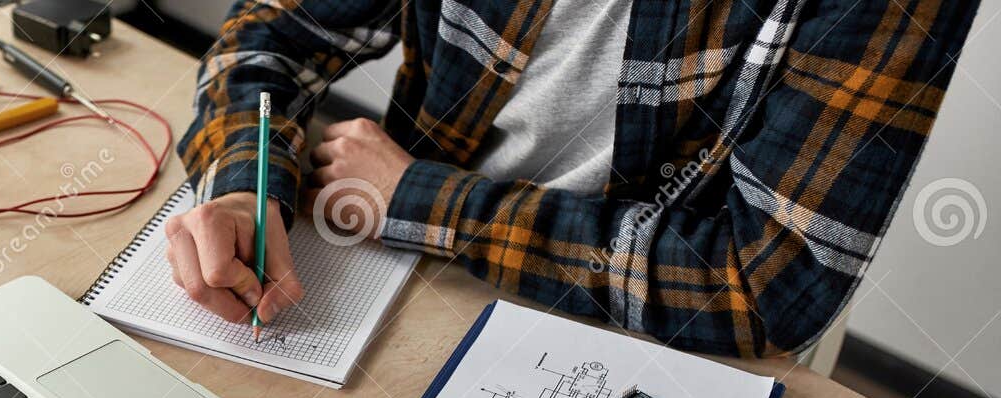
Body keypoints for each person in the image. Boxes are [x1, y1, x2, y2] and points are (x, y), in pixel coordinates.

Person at [166, 0, 979, 356]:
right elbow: (271, 35)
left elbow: (762, 287)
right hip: (395, 271)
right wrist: (246, 182)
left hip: (655, 340)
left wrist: (417, 198)